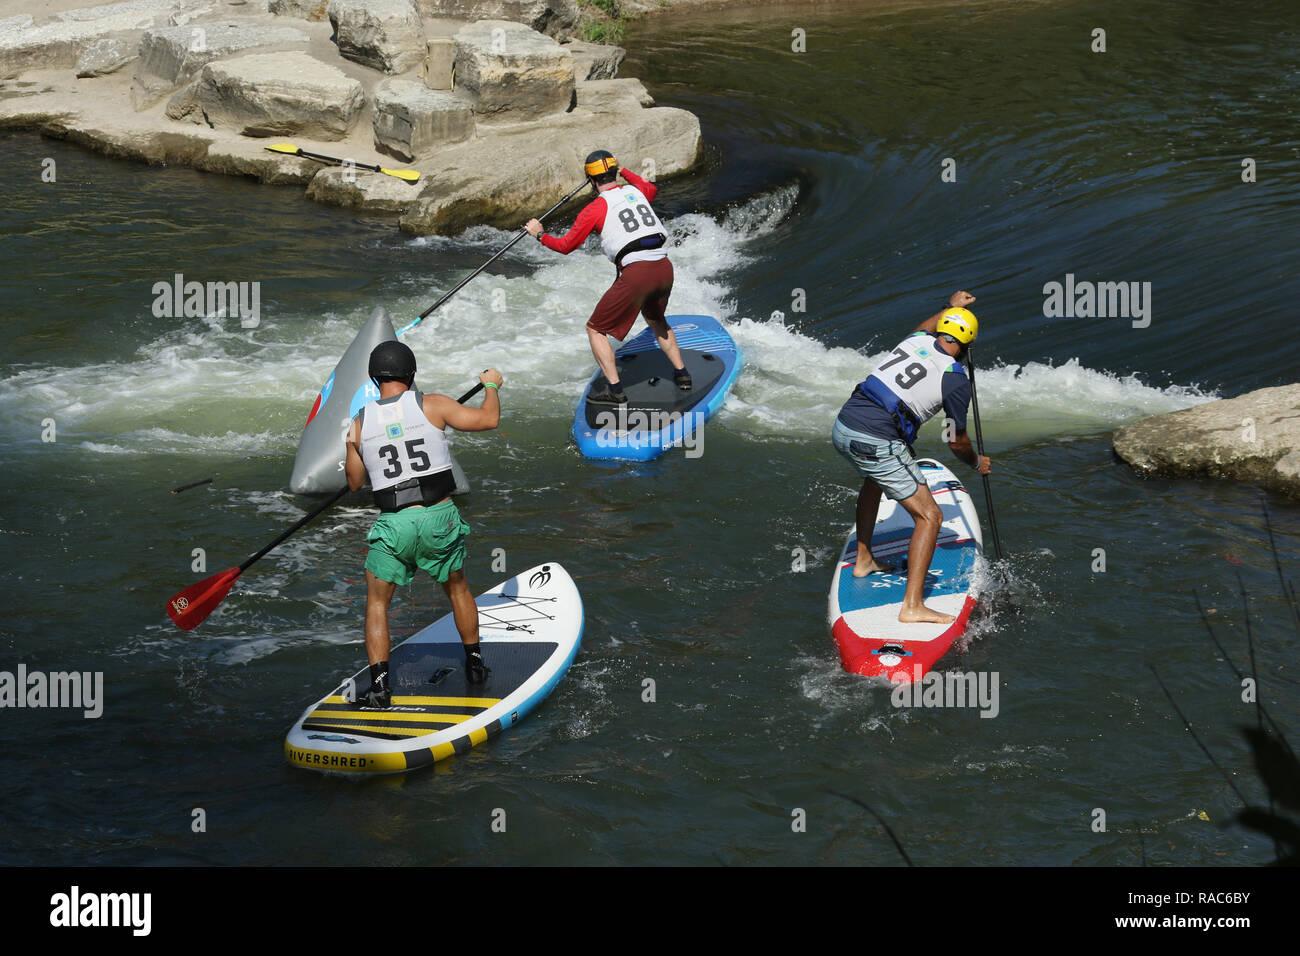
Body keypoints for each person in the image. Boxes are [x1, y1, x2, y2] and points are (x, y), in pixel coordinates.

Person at [344, 341, 504, 707]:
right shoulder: (432, 404)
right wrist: (492, 385)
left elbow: (355, 483)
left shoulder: (357, 423)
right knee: (458, 590)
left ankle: (381, 687)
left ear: (373, 379)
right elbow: (488, 420)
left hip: (394, 524)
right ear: (411, 375)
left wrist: (357, 445)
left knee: (377, 604)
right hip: (439, 518)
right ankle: (476, 666)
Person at [831, 290, 992, 625]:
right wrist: (976, 462)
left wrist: (952, 308)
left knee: (874, 480)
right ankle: (913, 606)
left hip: (843, 425)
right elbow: (955, 440)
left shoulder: (914, 340)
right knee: (930, 516)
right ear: (967, 343)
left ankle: (863, 560)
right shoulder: (955, 377)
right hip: (874, 440)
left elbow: (927, 325)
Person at [524, 149, 690, 405]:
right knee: (656, 319)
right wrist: (624, 171)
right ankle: (682, 375)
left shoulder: (594, 209)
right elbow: (648, 186)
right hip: (664, 267)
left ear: (591, 181)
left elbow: (566, 246)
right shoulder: (639, 192)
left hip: (638, 273)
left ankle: (615, 392)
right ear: (614, 172)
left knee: (596, 329)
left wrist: (539, 235)